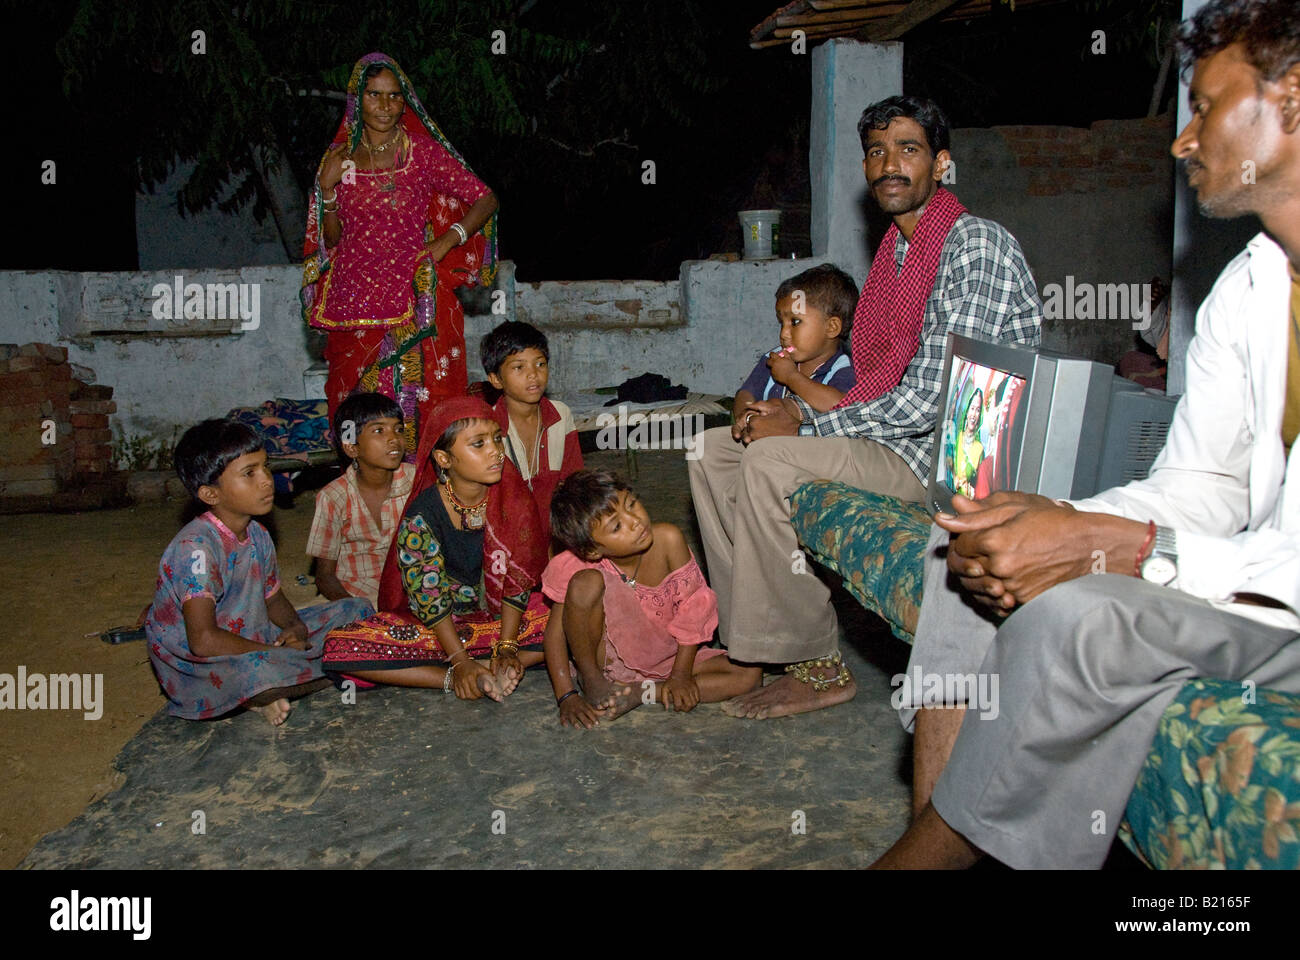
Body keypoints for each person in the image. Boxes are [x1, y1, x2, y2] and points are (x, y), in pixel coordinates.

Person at [875, 0, 1300, 869]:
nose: (1182, 143)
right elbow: (1208, 486)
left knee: (1082, 616)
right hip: (1251, 574)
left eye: (1207, 109)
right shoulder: (1250, 289)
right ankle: (938, 835)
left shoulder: (975, 244)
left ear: (1290, 99)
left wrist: (1127, 546)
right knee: (962, 549)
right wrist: (1058, 515)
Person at [688, 95, 1042, 720]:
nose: (889, 165)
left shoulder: (973, 246)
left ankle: (816, 665)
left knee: (770, 461)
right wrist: (783, 408)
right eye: (877, 152)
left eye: (909, 149)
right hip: (893, 437)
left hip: (948, 461)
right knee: (713, 449)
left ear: (943, 164)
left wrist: (806, 420)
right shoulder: (894, 257)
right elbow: (876, 382)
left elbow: (936, 399)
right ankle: (752, 641)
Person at [301, 52, 500, 455]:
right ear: (357, 100)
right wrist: (326, 192)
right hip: (352, 300)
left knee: (430, 399)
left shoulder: (421, 153)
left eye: (394, 96)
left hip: (415, 292)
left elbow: (485, 198)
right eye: (374, 95)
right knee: (356, 405)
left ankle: (427, 493)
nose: (385, 106)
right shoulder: (339, 161)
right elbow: (333, 239)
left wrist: (448, 240)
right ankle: (369, 499)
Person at [321, 397, 549, 702]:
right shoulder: (423, 515)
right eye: (478, 444)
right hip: (441, 630)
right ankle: (457, 676)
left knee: (571, 610)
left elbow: (518, 583)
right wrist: (459, 661)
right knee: (342, 644)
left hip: (502, 622)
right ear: (444, 459)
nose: (495, 450)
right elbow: (429, 601)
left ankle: (493, 664)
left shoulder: (514, 499)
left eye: (497, 439)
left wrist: (507, 645)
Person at [146, 420, 372, 726]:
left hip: (255, 638)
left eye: (265, 467)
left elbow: (273, 599)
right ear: (211, 494)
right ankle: (342, 667)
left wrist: (296, 629)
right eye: (249, 473)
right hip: (205, 665)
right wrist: (275, 653)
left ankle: (299, 677)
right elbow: (202, 640)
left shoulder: (258, 533)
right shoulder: (195, 549)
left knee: (357, 609)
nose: (266, 479)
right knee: (260, 672)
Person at [541, 470, 761, 728]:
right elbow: (555, 633)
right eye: (617, 526)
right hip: (609, 663)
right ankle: (594, 681)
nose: (635, 521)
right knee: (585, 583)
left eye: (632, 505)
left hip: (669, 659)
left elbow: (694, 609)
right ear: (592, 549)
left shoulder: (668, 540)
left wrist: (680, 674)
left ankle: (643, 692)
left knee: (750, 677)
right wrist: (566, 696)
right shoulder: (576, 564)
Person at [306, 392, 415, 607]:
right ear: (351, 447)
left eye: (398, 429)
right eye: (379, 430)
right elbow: (324, 576)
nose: (394, 438)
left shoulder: (415, 481)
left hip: (410, 590)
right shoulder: (333, 497)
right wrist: (356, 611)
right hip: (358, 594)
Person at [480, 321, 583, 541]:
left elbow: (574, 481)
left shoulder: (561, 415)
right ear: (496, 379)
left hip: (556, 533)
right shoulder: (487, 427)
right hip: (508, 537)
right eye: (519, 367)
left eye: (540, 364)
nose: (533, 375)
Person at [731, 263, 858, 431]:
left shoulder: (843, 368)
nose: (784, 333)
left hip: (808, 448)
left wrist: (792, 377)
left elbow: (840, 405)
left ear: (831, 327)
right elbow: (746, 393)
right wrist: (746, 417)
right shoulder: (773, 358)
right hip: (761, 436)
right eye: (781, 323)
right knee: (709, 443)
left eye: (795, 322)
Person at [951, 388, 984, 498]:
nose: (974, 414)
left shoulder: (979, 449)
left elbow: (980, 486)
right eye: (972, 408)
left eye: (978, 410)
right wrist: (954, 477)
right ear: (967, 411)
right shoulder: (956, 437)